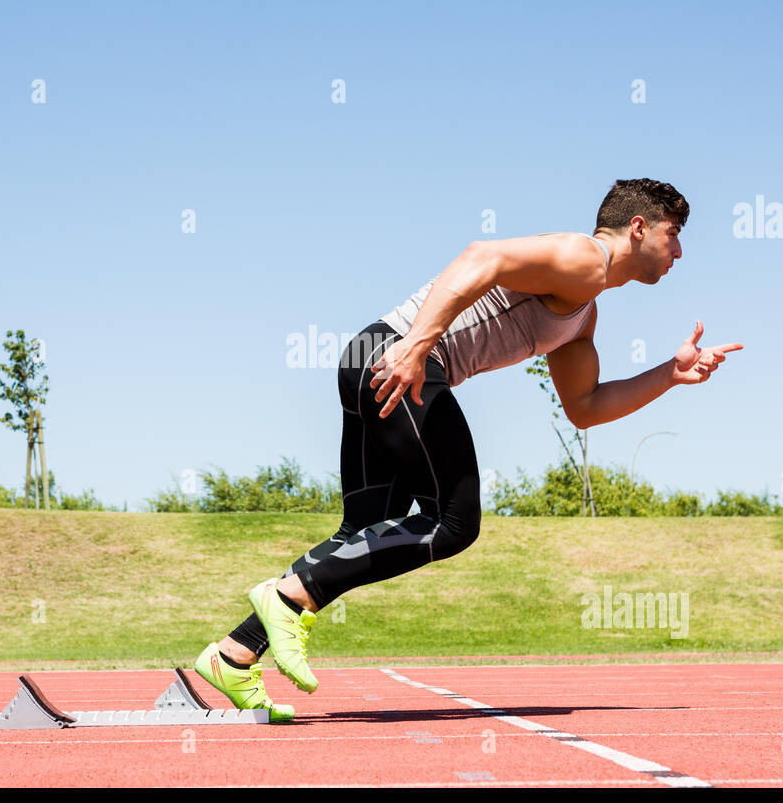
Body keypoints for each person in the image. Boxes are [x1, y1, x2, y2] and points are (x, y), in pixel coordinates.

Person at [192, 178, 743, 720]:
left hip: (372, 355)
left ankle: (234, 656)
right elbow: (481, 256)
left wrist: (669, 374)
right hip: (400, 360)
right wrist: (417, 346)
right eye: (673, 234)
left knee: (362, 534)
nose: (679, 251)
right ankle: (288, 599)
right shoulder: (585, 258)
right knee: (454, 523)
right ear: (638, 227)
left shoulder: (585, 311)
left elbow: (586, 406)